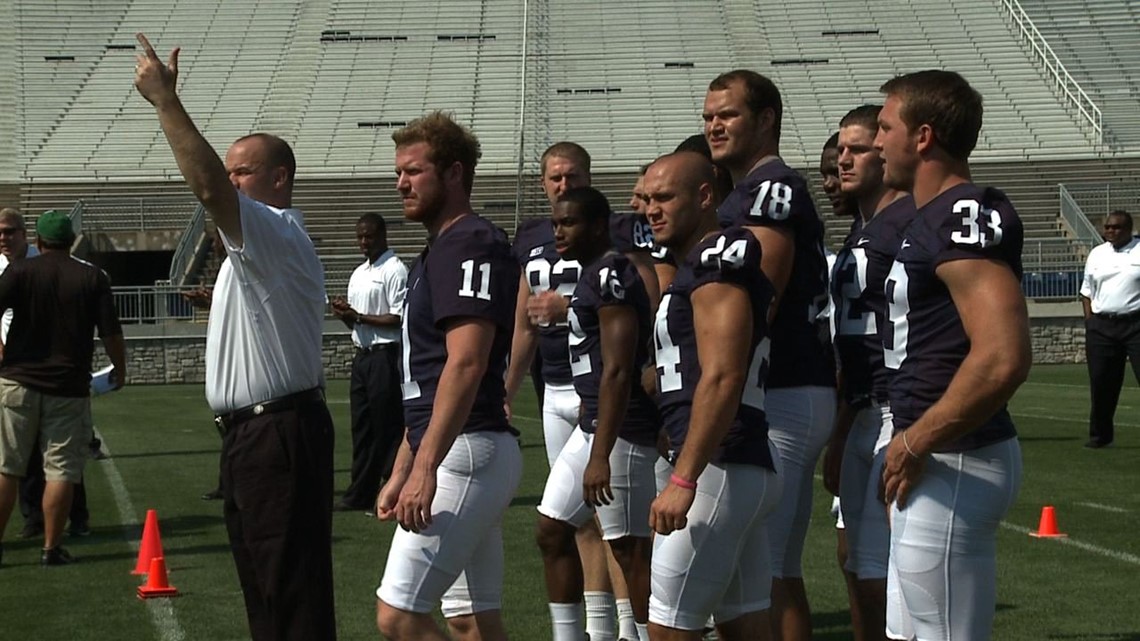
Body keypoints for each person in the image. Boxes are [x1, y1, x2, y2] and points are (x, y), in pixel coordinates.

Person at [134, 34, 336, 640]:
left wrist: (166, 103)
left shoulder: (273, 228)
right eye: (230, 171)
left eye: (242, 171)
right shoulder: (251, 252)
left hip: (276, 432)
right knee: (266, 593)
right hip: (257, 434)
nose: (230, 181)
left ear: (280, 179)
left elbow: (206, 190)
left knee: (290, 593)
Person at [876, 69, 1029, 641]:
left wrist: (918, 438)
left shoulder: (960, 212)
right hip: (938, 451)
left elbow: (1003, 355)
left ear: (923, 136)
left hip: (955, 455)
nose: (876, 140)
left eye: (886, 127)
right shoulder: (928, 217)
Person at [374, 111, 522, 641]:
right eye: (399, 172)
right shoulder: (440, 249)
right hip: (461, 448)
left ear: (454, 173)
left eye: (414, 171)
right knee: (470, 620)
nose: (401, 183)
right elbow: (428, 379)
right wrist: (402, 465)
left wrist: (425, 467)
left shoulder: (468, 242)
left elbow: (465, 362)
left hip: (466, 450)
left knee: (398, 614)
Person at [703, 69, 836, 641]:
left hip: (781, 388)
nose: (714, 125)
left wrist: (714, 375)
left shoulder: (771, 189)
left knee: (770, 562)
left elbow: (765, 295)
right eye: (708, 115)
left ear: (765, 120)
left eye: (727, 114)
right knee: (760, 563)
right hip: (778, 387)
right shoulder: (743, 191)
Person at [507, 141, 655, 641]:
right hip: (590, 421)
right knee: (552, 527)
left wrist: (601, 454)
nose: (558, 233)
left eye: (568, 225)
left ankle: (643, 635)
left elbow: (617, 371)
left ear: (596, 226)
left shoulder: (612, 274)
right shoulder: (593, 276)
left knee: (629, 549)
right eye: (555, 224)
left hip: (621, 428)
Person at [643, 151, 779, 641]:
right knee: (744, 626)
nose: (651, 209)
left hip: (720, 465)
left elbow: (723, 375)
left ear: (704, 197)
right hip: (736, 464)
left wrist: (684, 477)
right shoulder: (695, 265)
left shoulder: (715, 257)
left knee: (669, 628)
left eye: (665, 198)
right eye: (648, 199)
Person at [824, 105, 917, 641]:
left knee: (900, 573)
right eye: (842, 149)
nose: (845, 158)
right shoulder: (863, 229)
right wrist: (839, 432)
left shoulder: (910, 222)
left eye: (857, 148)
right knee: (861, 567)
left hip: (896, 411)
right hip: (861, 410)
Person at [0, 210, 126, 566]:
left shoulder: (20, 271)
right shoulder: (91, 276)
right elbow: (111, 332)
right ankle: (51, 547)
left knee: (8, 467)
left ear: (37, 241)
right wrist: (120, 367)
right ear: (72, 241)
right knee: (61, 470)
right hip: (68, 385)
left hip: (19, 380)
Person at [331, 213, 408, 511]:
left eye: (370, 236)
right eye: (360, 236)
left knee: (388, 427)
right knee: (362, 427)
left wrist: (359, 317)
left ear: (383, 235)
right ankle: (360, 491)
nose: (364, 242)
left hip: (385, 357)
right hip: (363, 357)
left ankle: (394, 489)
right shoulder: (360, 272)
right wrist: (348, 316)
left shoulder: (394, 269)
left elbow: (398, 318)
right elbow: (358, 322)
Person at [1079, 209, 1140, 449]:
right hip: (1102, 326)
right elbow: (1086, 290)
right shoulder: (1097, 253)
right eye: (1107, 227)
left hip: (1136, 324)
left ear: (1129, 229)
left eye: (1116, 228)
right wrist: (1090, 320)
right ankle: (1100, 436)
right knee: (1102, 382)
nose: (1110, 232)